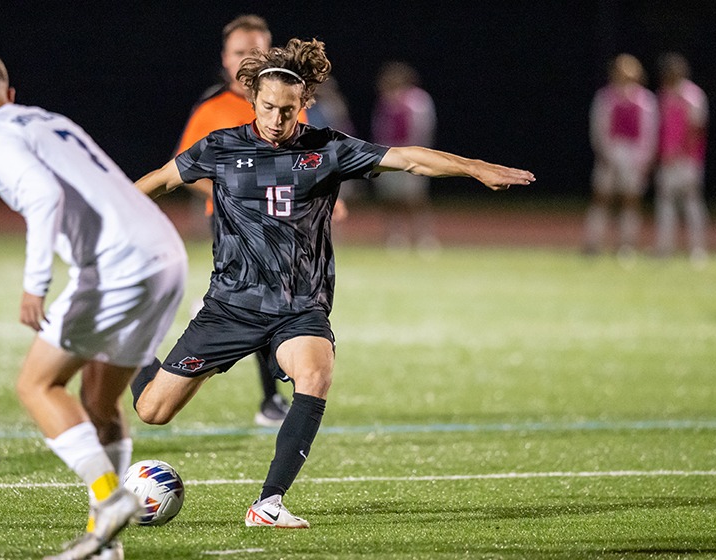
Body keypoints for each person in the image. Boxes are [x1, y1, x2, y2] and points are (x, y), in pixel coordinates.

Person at [130, 38, 534, 528]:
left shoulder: (327, 150)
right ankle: (128, 346)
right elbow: (157, 180)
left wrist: (473, 169)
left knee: (316, 373)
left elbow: (408, 158)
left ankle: (268, 504)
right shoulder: (221, 146)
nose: (276, 119)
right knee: (153, 411)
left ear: (305, 105)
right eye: (267, 108)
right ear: (252, 100)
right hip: (230, 306)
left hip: (300, 306)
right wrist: (106, 218)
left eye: (287, 110)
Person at [0, 50, 187, 560]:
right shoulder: (49, 121)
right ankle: (106, 546)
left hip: (117, 267)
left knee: (37, 384)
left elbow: (42, 197)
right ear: (8, 94)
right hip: (166, 257)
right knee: (100, 400)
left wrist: (35, 284)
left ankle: (110, 499)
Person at [174, 14, 296, 427]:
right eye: (241, 52)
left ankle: (265, 393)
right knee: (261, 301)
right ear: (226, 59)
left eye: (259, 51)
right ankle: (268, 398)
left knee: (275, 300)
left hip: (282, 224)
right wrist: (233, 196)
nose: (251, 59)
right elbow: (182, 171)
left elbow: (307, 161)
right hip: (232, 226)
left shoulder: (286, 101)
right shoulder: (212, 109)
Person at [584, 53, 658, 258]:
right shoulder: (605, 97)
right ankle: (593, 244)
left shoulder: (645, 100)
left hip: (634, 155)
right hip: (610, 152)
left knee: (630, 201)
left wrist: (644, 159)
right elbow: (598, 128)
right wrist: (604, 153)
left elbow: (649, 132)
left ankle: (626, 246)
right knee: (601, 199)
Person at [371, 61, 439, 250]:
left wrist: (419, 154)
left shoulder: (418, 100)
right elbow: (380, 128)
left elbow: (423, 128)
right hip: (389, 153)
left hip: (410, 152)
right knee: (391, 198)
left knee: (414, 198)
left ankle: (424, 237)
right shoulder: (386, 101)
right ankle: (395, 236)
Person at [654, 52, 709, 264]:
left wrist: (682, 152)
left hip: (688, 159)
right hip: (667, 159)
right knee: (665, 203)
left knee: (691, 202)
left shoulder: (693, 96)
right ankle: (664, 248)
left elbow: (696, 129)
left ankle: (697, 249)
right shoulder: (664, 96)